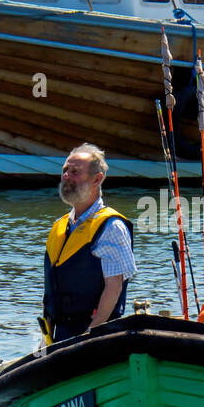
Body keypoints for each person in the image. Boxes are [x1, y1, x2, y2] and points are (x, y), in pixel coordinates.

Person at [42, 144, 136, 343]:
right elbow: (51, 291)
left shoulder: (111, 227)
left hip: (98, 337)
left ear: (97, 179)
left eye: (75, 172)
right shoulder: (59, 227)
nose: (67, 176)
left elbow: (114, 286)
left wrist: (90, 334)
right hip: (61, 335)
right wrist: (46, 340)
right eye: (65, 171)